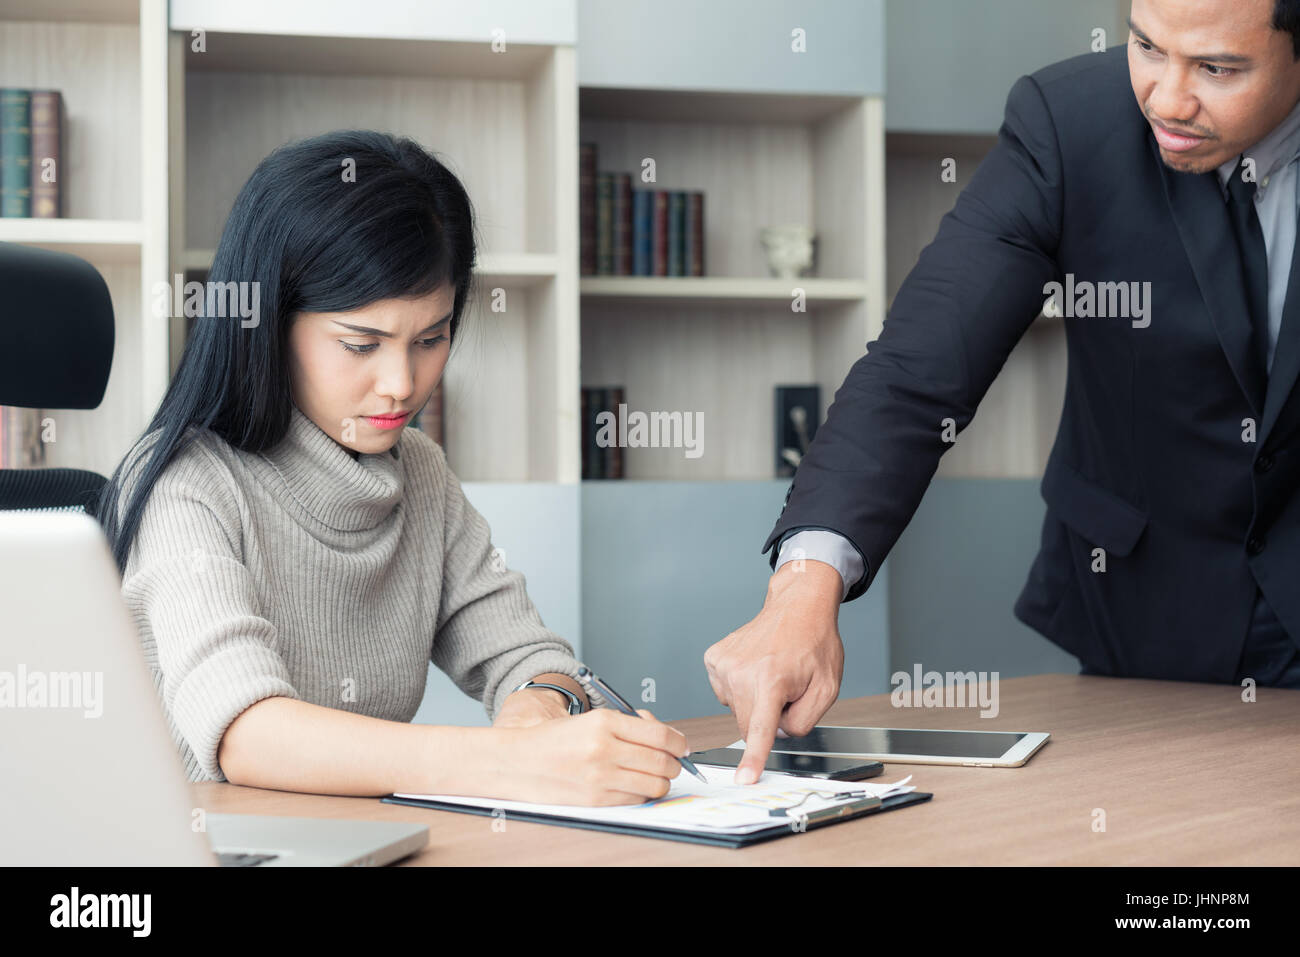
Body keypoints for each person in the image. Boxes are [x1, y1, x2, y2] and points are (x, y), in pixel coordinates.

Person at [706, 0, 1300, 785]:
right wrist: (803, 587)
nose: (1165, 98)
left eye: (1217, 68)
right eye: (1146, 47)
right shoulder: (1069, 124)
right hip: (1145, 615)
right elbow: (919, 367)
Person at [95, 130, 687, 805]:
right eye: (361, 343)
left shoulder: (422, 474)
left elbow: (534, 658)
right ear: (268, 322)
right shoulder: (187, 480)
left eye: (431, 339)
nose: (403, 384)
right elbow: (247, 733)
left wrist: (536, 711)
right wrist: (509, 763)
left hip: (361, 840)